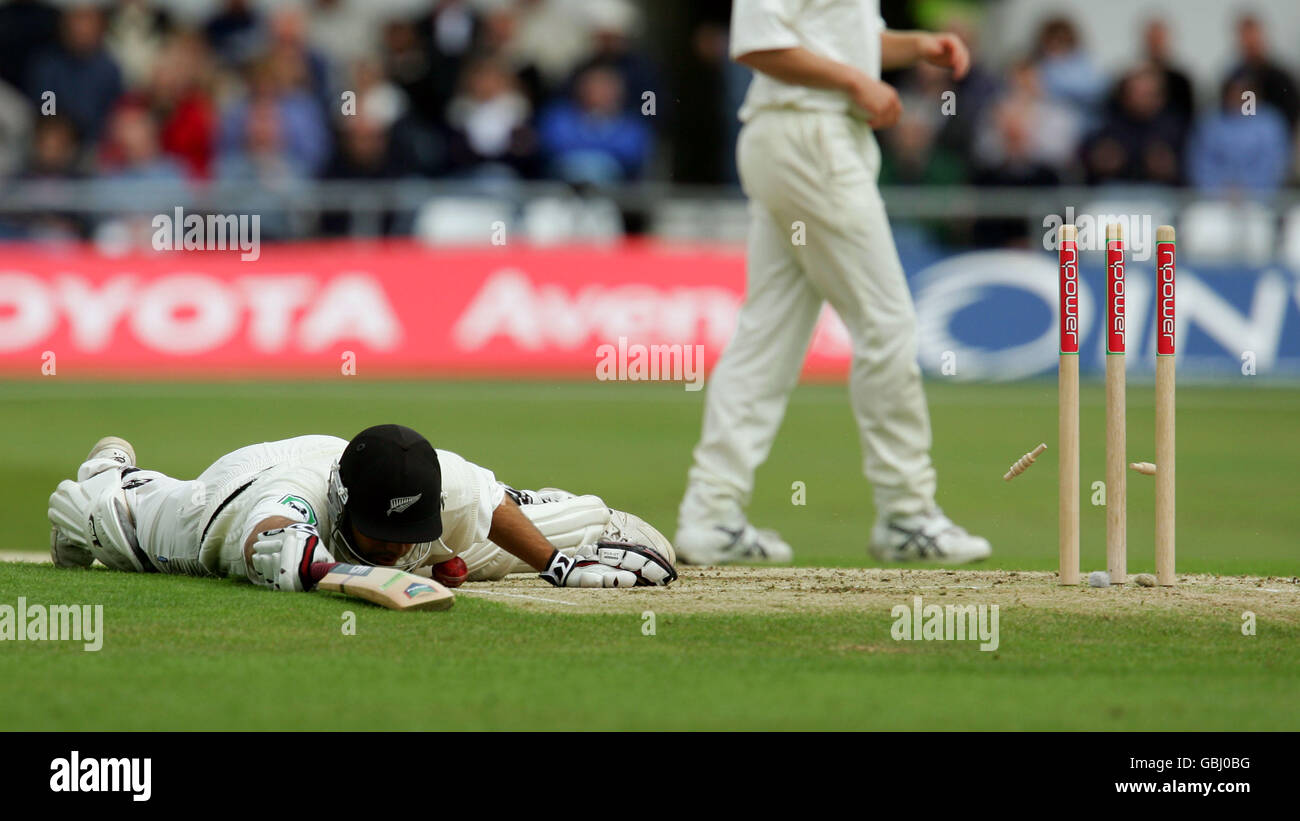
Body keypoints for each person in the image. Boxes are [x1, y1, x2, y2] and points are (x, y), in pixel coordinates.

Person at [675, 0, 992, 565]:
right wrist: (856, 82)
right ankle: (907, 513)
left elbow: (846, 38)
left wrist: (915, 46)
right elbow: (756, 42)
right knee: (886, 323)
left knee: (766, 336)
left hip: (805, 138)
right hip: (809, 136)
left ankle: (711, 514)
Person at [48, 426, 676, 592]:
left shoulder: (438, 480)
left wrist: (555, 563)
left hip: (350, 471)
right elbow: (272, 541)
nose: (396, 546)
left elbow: (485, 502)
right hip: (210, 503)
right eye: (383, 535)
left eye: (407, 533)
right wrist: (320, 566)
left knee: (565, 524)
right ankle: (114, 471)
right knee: (84, 519)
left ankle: (565, 526)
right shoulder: (288, 496)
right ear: (344, 506)